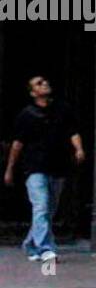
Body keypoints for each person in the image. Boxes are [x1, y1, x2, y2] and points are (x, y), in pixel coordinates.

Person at [3, 76, 85, 264]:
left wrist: (79, 148)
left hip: (58, 166)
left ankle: (31, 244)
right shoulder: (26, 115)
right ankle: (46, 249)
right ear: (33, 93)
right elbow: (17, 144)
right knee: (41, 206)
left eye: (45, 81)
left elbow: (73, 131)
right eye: (39, 83)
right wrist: (10, 168)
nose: (45, 84)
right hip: (34, 168)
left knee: (48, 210)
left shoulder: (62, 109)